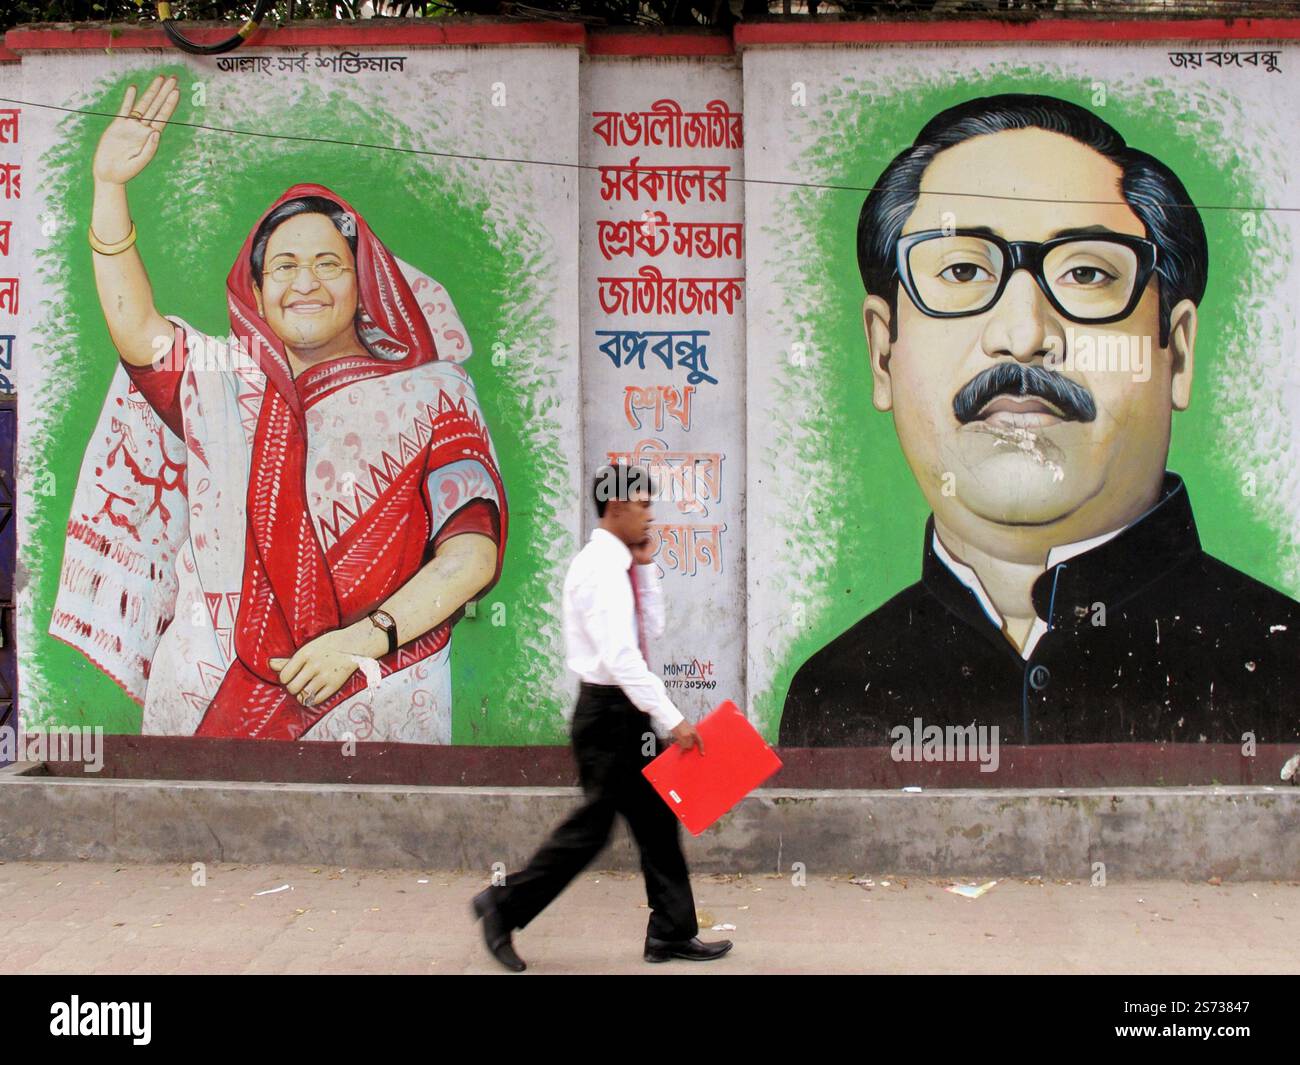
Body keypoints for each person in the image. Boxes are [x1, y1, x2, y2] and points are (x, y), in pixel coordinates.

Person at [781, 93, 1300, 746]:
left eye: (1086, 272)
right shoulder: (827, 691)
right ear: (883, 353)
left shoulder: (1284, 669)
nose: (1023, 334)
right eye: (963, 269)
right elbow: (722, 838)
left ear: (1179, 353)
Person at [53, 74, 507, 742]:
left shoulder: (431, 393)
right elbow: (136, 329)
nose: (306, 283)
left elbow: (472, 554)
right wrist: (109, 188)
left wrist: (365, 639)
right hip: (206, 700)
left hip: (373, 702)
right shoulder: (221, 379)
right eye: (285, 266)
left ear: (363, 282)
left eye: (329, 263)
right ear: (257, 292)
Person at [471, 464, 733, 971]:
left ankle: (671, 934)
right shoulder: (597, 568)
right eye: (643, 505)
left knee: (657, 821)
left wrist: (647, 566)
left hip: (626, 717)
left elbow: (650, 627)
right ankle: (501, 907)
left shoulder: (622, 565)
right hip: (607, 717)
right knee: (589, 832)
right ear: (616, 508)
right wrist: (673, 717)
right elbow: (620, 656)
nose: (650, 515)